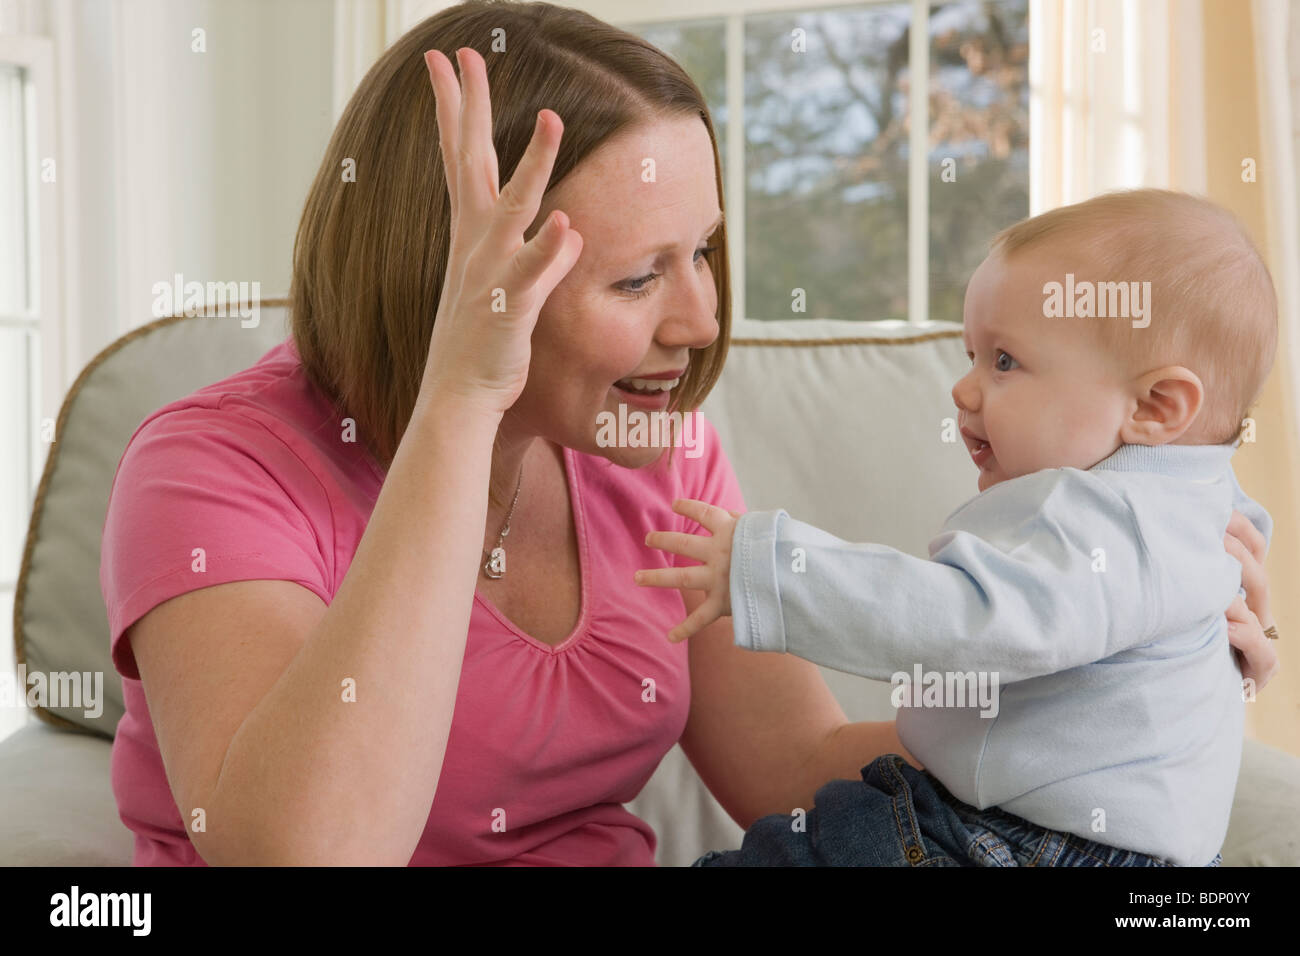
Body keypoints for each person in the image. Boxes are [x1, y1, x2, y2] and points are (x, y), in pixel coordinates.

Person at [98, 1, 1279, 866]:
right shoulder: (214, 471)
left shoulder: (661, 454)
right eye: (636, 278)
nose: (704, 318)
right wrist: (461, 405)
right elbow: (308, 853)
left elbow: (787, 762)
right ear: (454, 283)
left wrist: (1119, 671)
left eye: (703, 252)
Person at [639, 189, 1281, 867]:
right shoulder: (1201, 509)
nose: (963, 391)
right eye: (973, 354)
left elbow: (966, 619)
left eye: (1004, 362)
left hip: (1022, 844)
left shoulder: (1114, 519)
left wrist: (773, 569)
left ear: (1156, 406)